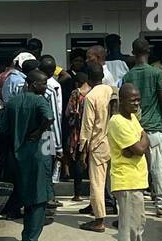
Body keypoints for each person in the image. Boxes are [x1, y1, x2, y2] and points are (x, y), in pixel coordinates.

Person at [0, 68, 56, 241]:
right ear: (33, 84)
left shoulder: (13, 102)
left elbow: (4, 130)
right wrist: (38, 132)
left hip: (18, 157)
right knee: (39, 199)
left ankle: (25, 239)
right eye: (43, 84)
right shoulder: (40, 100)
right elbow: (49, 118)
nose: (45, 88)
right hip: (38, 155)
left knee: (26, 199)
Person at [121, 37, 162, 216]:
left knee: (138, 170)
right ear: (148, 52)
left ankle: (137, 206)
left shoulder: (128, 76)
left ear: (133, 53)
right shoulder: (157, 73)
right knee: (158, 169)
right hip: (155, 129)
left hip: (136, 131)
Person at [107, 83, 154, 241]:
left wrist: (140, 142)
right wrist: (140, 143)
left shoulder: (133, 118)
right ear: (121, 101)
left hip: (137, 178)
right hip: (125, 180)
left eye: (138, 99)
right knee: (127, 227)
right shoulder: (117, 121)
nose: (136, 103)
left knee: (137, 225)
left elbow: (144, 140)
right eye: (132, 100)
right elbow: (139, 148)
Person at [77, 61, 114, 231]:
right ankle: (121, 216)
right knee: (116, 181)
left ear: (88, 79)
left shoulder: (91, 97)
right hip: (114, 141)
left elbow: (87, 126)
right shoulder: (111, 90)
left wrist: (82, 150)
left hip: (98, 144)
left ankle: (99, 221)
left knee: (97, 183)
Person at [39, 55, 64, 207]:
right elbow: (55, 117)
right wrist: (59, 145)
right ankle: (48, 197)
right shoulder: (50, 89)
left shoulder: (25, 85)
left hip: (30, 136)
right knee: (48, 167)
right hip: (48, 135)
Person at [64, 71, 90, 203]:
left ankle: (77, 194)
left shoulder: (76, 93)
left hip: (77, 132)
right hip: (91, 131)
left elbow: (68, 112)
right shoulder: (93, 92)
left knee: (77, 160)